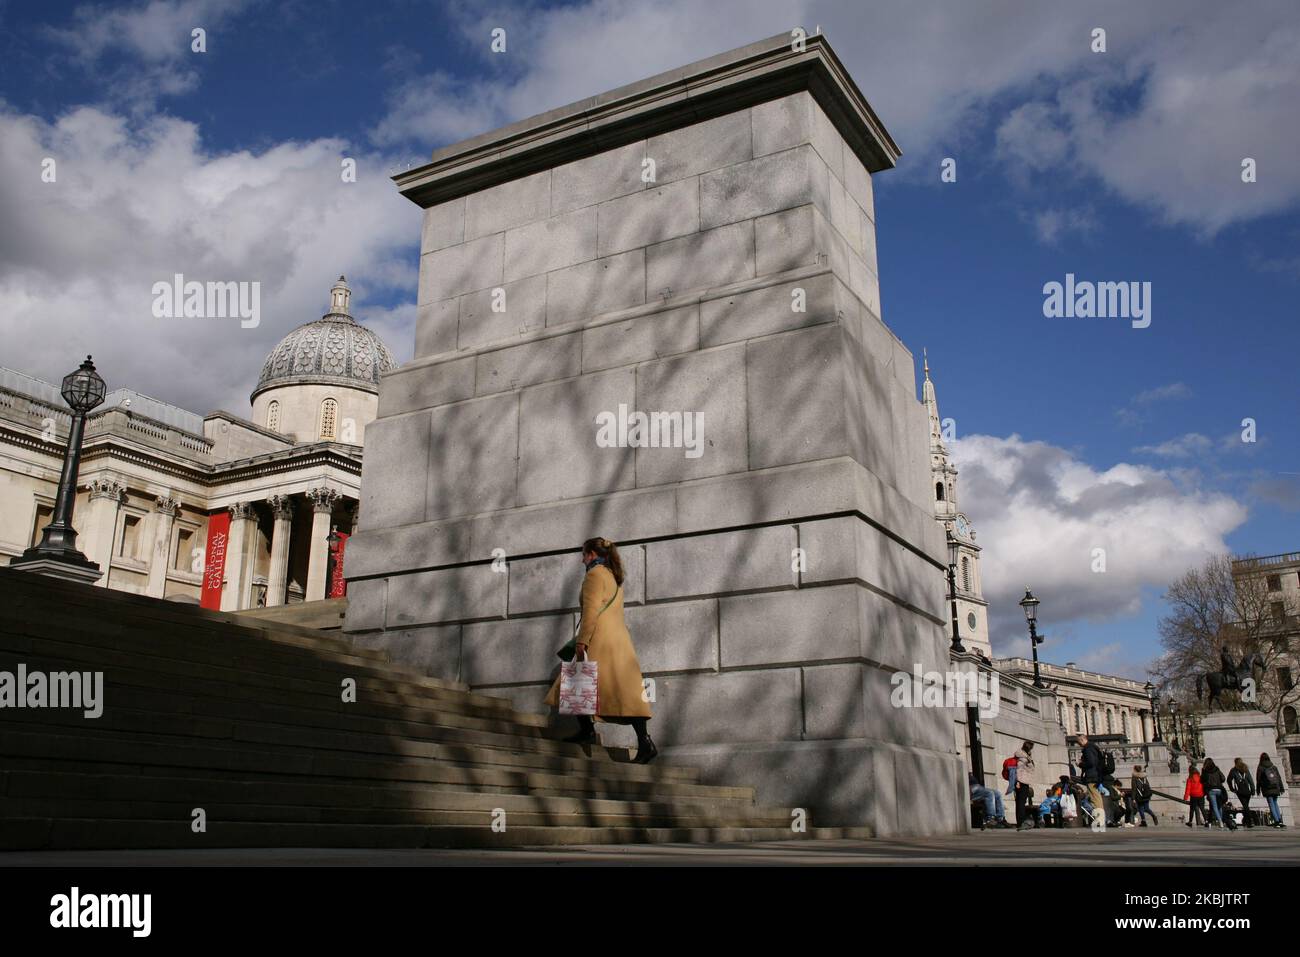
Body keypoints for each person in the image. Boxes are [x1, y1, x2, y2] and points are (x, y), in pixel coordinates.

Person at [544, 537, 657, 763]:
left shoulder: (594, 576)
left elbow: (591, 612)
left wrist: (581, 641)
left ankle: (587, 731)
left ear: (593, 555)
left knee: (577, 681)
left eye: (584, 554)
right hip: (619, 642)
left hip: (600, 640)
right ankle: (644, 741)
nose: (582, 559)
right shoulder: (613, 578)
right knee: (627, 694)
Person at [1077, 733, 1107, 826]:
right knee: (1097, 797)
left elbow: (1091, 762)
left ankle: (1100, 819)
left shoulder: (1088, 749)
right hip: (1096, 775)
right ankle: (1101, 818)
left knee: (1095, 798)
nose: (1079, 745)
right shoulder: (1094, 747)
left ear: (1082, 740)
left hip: (1092, 776)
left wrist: (1081, 764)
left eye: (1079, 743)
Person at [1013, 740, 1041, 830]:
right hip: (1021, 782)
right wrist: (1017, 782)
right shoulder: (1022, 757)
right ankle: (1021, 822)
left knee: (1020, 802)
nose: (1031, 750)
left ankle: (1020, 821)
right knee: (1021, 802)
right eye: (1031, 748)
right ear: (1028, 748)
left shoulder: (1025, 756)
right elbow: (1018, 770)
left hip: (1023, 781)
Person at [1256, 752, 1288, 828]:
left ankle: (1276, 821)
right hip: (1276, 787)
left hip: (1267, 788)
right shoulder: (1273, 766)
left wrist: (1258, 789)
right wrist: (1281, 788)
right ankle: (1280, 820)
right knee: (1275, 803)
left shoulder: (1260, 767)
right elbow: (1279, 778)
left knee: (1271, 804)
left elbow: (1258, 779)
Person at [1227, 758, 1255, 828]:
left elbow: (1229, 780)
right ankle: (1245, 821)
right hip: (1247, 791)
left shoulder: (1234, 770)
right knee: (1246, 806)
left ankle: (1249, 822)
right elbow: (1251, 781)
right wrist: (1253, 790)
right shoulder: (1246, 769)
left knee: (1245, 806)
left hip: (1240, 791)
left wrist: (1232, 788)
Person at [1201, 758, 1229, 828]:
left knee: (1215, 806)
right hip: (1219, 789)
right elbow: (1223, 778)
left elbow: (1201, 780)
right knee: (1219, 806)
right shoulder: (1217, 769)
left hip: (1211, 790)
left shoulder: (1205, 771)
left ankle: (1220, 821)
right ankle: (1221, 820)